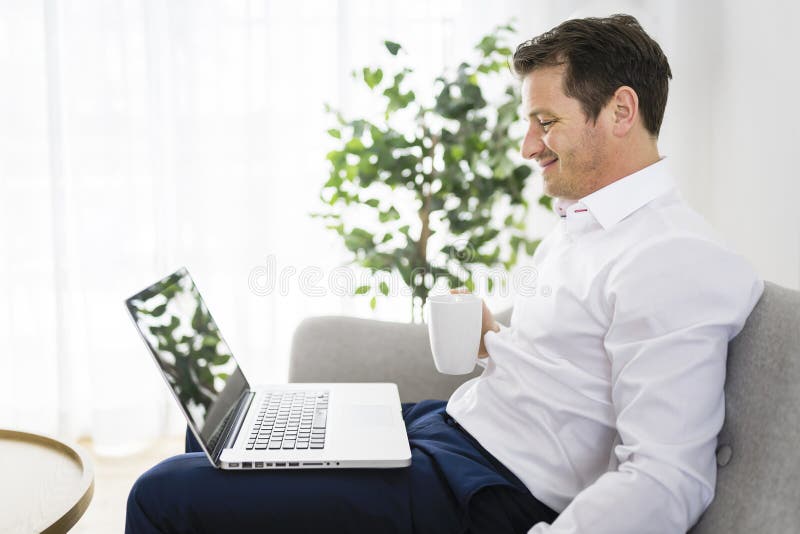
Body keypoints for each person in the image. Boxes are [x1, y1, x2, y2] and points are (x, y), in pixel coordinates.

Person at [126, 14, 763, 533]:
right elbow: (571, 375)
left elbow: (667, 479)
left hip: (485, 492)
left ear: (621, 111)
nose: (528, 147)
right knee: (213, 435)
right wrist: (492, 341)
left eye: (545, 123)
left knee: (161, 494)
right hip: (450, 428)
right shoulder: (589, 222)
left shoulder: (674, 259)